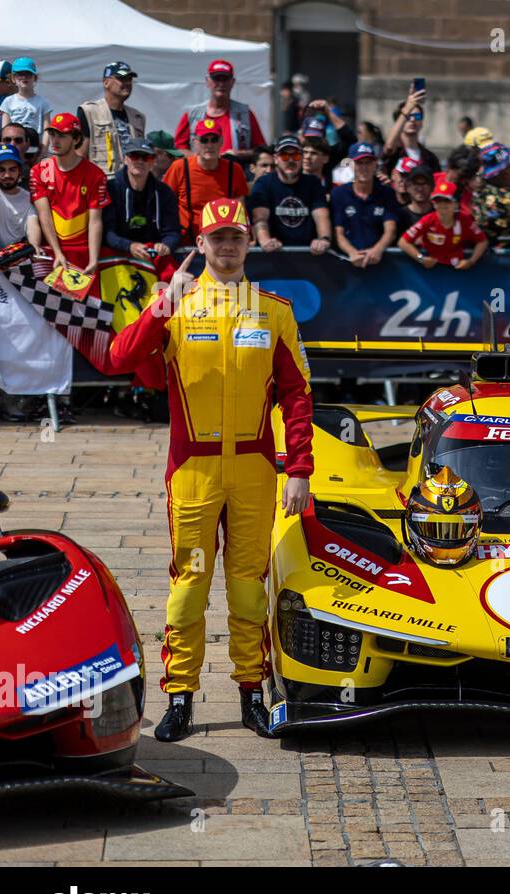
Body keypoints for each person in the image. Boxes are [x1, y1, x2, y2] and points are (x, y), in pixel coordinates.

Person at [105, 199, 313, 742]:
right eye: (216, 237)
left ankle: (251, 693)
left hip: (252, 469)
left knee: (248, 587)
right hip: (193, 471)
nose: (226, 247)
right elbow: (120, 358)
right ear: (199, 244)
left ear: (248, 244)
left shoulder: (274, 310)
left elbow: (296, 395)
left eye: (236, 238)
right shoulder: (175, 303)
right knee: (188, 588)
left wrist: (300, 469)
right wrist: (161, 305)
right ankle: (180, 698)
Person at [30, 113, 109, 278]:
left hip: (83, 253)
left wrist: (93, 259)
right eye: (52, 134)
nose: (54, 140)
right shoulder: (38, 171)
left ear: (75, 139)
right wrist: (58, 253)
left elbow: (95, 221)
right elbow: (44, 216)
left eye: (61, 135)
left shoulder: (95, 175)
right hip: (52, 252)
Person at [163, 117, 250, 245]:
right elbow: (164, 204)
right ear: (195, 142)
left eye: (214, 140)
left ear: (221, 141)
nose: (209, 145)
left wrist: (246, 236)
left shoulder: (234, 169)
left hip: (221, 242)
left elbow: (240, 209)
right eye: (204, 140)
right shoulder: (180, 167)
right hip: (186, 243)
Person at [174, 59, 267, 163]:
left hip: (234, 173)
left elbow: (261, 150)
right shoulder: (192, 114)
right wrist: (201, 157)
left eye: (225, 79)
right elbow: (178, 149)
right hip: (201, 174)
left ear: (232, 82)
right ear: (208, 81)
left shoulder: (244, 113)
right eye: (216, 79)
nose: (221, 84)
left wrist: (238, 154)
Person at [104, 137, 180, 263]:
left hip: (152, 257)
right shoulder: (111, 189)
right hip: (117, 257)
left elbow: (173, 231)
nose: (140, 161)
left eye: (146, 157)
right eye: (134, 156)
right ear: (125, 159)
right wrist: (130, 246)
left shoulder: (164, 192)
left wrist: (166, 245)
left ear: (152, 162)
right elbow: (107, 233)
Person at [249, 134, 330, 252]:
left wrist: (324, 239)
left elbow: (321, 215)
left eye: (296, 155)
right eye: (284, 155)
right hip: (274, 255)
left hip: (307, 255)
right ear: (276, 159)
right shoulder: (264, 183)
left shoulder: (313, 183)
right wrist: (265, 240)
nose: (291, 160)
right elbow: (260, 218)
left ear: (302, 158)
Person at [331, 141, 399, 267]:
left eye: (368, 162)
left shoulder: (387, 193)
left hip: (381, 263)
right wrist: (352, 253)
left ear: (375, 165)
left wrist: (378, 249)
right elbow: (338, 232)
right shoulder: (339, 194)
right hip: (346, 264)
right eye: (359, 163)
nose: (364, 167)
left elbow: (391, 229)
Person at [399, 176, 487, 270]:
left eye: (447, 201)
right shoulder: (428, 220)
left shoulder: (465, 220)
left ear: (456, 204)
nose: (442, 204)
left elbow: (482, 241)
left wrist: (471, 261)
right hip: (429, 270)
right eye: (438, 201)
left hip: (457, 269)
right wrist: (421, 259)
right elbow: (403, 242)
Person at [77, 61, 146, 175]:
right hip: (102, 183)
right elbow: (80, 155)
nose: (127, 83)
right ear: (106, 82)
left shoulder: (138, 117)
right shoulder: (89, 111)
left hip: (132, 183)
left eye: (129, 79)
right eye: (122, 78)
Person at [384, 85, 440, 176]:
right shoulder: (395, 152)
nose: (412, 120)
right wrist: (408, 107)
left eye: (417, 116)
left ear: (422, 122)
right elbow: (389, 147)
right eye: (408, 116)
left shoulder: (430, 158)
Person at [0, 57, 52, 138]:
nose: (24, 77)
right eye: (20, 74)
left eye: (28, 73)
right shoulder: (8, 101)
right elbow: (4, 129)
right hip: (14, 145)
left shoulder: (43, 102)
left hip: (34, 146)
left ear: (35, 78)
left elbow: (47, 129)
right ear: (13, 78)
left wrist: (44, 148)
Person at [0, 144, 39, 246]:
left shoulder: (29, 198)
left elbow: (33, 227)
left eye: (12, 170)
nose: (7, 175)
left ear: (20, 172)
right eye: (1, 170)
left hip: (21, 257)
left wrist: (35, 246)